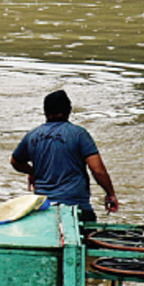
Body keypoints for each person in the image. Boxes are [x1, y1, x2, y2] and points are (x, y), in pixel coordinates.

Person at [11, 90, 119, 223]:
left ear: (45, 111)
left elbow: (16, 162)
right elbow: (97, 170)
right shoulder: (79, 134)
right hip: (76, 207)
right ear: (69, 110)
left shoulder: (32, 136)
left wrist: (34, 172)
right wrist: (110, 194)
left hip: (43, 208)